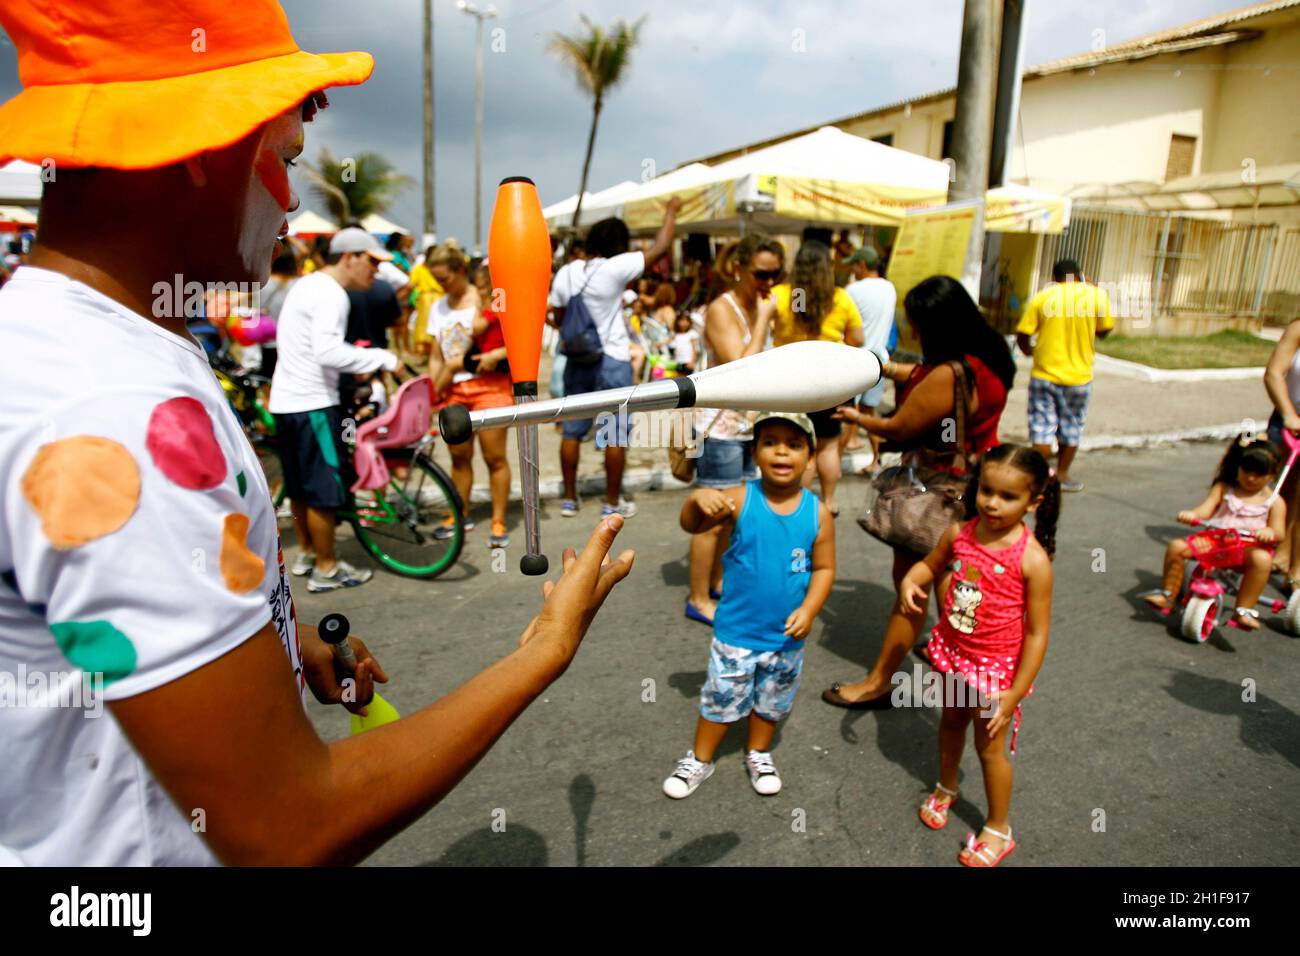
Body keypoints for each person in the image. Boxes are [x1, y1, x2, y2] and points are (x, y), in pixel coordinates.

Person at [0, 0, 635, 867]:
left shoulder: (96, 342)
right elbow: (287, 828)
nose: (292, 198)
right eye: (285, 156)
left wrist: (274, 644)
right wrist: (543, 652)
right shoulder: (107, 406)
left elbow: (101, 615)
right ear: (195, 149)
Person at [823, 275, 1016, 709]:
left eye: (917, 324)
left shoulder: (947, 374)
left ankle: (882, 682)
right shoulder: (989, 357)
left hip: (935, 492)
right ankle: (970, 657)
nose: (912, 332)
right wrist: (884, 367)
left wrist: (854, 416)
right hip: (973, 483)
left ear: (937, 325)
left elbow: (900, 427)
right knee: (952, 577)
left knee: (912, 587)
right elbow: (927, 377)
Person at [663, 413, 834, 799]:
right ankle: (700, 759)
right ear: (754, 452)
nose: (781, 451)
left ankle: (758, 752)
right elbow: (692, 526)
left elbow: (824, 568)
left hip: (786, 639)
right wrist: (695, 500)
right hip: (736, 633)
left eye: (793, 444)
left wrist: (810, 609)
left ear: (810, 455)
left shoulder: (817, 513)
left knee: (771, 703)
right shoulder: (739, 499)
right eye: (770, 441)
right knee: (719, 699)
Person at [907, 444, 1056, 866]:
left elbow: (1038, 632)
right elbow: (930, 566)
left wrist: (1014, 693)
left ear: (1034, 501)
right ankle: (947, 786)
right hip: (953, 653)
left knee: (990, 749)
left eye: (1008, 496)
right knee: (951, 724)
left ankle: (998, 826)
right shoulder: (960, 533)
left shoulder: (1032, 559)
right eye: (987, 490)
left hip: (995, 672)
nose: (992, 502)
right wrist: (911, 582)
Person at [547, 198, 682, 518]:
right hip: (613, 360)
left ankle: (569, 498)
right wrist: (672, 212)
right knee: (614, 434)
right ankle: (610, 503)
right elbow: (662, 246)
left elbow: (554, 315)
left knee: (571, 431)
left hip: (577, 359)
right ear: (619, 245)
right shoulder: (616, 267)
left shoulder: (567, 271)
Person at [685, 234, 784, 625]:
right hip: (720, 426)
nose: (769, 282)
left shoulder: (757, 302)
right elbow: (741, 371)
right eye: (762, 273)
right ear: (739, 268)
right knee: (712, 515)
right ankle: (697, 597)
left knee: (734, 512)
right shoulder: (722, 309)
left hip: (749, 425)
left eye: (776, 274)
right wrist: (762, 319)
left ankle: (718, 582)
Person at [1140, 435, 1285, 630]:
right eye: (1246, 471)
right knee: (1177, 546)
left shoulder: (1274, 502)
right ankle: (1168, 595)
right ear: (1238, 467)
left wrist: (1269, 532)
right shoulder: (1225, 488)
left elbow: (1279, 532)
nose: (1251, 478)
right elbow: (1205, 510)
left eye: (1259, 474)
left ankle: (1243, 610)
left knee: (1263, 559)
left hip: (1247, 548)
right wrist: (1192, 514)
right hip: (1216, 541)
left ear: (1272, 475)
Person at [769, 240, 864, 516]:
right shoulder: (841, 298)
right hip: (829, 383)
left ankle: (801, 501)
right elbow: (857, 339)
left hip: (788, 382)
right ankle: (830, 501)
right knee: (827, 445)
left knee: (799, 442)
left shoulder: (780, 294)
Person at [427, 246, 513, 549]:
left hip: (490, 385)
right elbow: (436, 354)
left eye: (445, 278)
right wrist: (433, 389)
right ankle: (459, 513)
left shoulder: (485, 297)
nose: (441, 286)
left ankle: (498, 519)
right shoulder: (438, 307)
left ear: (461, 271)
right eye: (436, 280)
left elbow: (513, 334)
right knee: (459, 457)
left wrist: (497, 354)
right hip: (453, 389)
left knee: (494, 457)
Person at [1015, 258, 1115, 493]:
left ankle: (1041, 478)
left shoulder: (1042, 297)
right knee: (1072, 426)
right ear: (1079, 275)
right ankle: (1061, 474)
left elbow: (1023, 333)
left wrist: (1028, 351)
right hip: (1079, 377)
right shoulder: (1096, 296)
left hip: (1044, 373)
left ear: (1054, 277)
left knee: (1041, 427)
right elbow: (1105, 331)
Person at [840, 246, 897, 470]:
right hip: (881, 361)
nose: (853, 270)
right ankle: (876, 460)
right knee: (869, 414)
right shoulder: (889, 288)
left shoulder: (852, 290)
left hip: (855, 361)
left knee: (845, 416)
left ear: (862, 265)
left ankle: (833, 460)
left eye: (854, 265)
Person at [1263, 318, 1300, 587]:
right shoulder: (1298, 328)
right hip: (1288, 418)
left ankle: (1296, 573)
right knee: (1279, 490)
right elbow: (1274, 373)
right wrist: (1289, 414)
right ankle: (1276, 551)